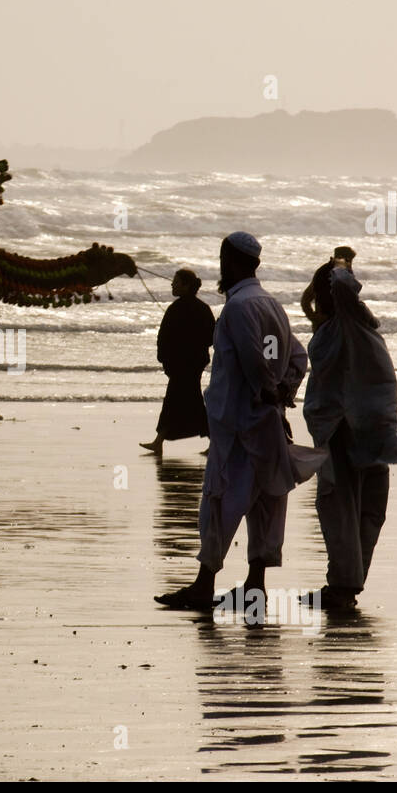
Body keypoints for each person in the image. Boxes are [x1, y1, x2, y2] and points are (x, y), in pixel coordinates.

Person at [155, 232, 308, 611]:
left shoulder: (239, 308)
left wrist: (267, 393)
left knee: (221, 502)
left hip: (239, 425)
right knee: (264, 505)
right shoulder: (271, 304)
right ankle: (255, 588)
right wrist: (282, 395)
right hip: (267, 423)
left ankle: (203, 586)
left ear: (230, 262)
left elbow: (252, 359)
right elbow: (299, 357)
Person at [302, 253, 397, 611]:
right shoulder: (356, 326)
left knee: (340, 504)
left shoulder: (347, 321)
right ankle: (348, 583)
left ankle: (344, 585)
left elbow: (343, 288)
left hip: (347, 426)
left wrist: (341, 266)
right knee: (368, 506)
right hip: (372, 424)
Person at [140, 268, 214, 455]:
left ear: (186, 285)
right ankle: (160, 441)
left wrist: (164, 358)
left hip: (183, 366)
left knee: (179, 401)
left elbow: (163, 337)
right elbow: (211, 338)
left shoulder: (177, 309)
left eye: (176, 281)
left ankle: (159, 442)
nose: (172, 284)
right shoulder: (202, 308)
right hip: (192, 364)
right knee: (186, 401)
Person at [300, 246, 356, 330]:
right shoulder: (324, 273)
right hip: (325, 325)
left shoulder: (344, 272)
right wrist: (314, 318)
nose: (350, 265)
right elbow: (306, 298)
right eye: (348, 261)